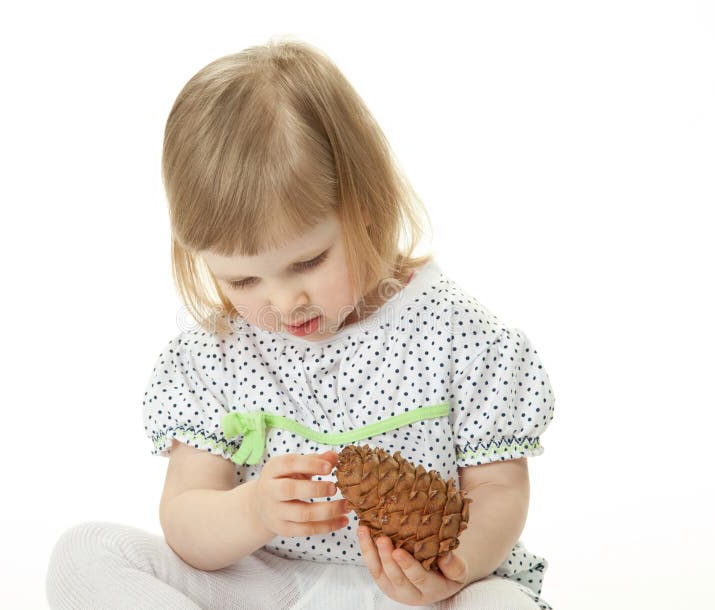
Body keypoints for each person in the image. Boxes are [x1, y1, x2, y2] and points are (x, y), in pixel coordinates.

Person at [46, 36, 556, 610]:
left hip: (422, 595)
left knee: (502, 605)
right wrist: (252, 510)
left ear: (368, 203)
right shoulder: (214, 357)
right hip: (274, 587)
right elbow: (186, 519)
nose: (287, 303)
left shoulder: (459, 335)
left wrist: (455, 567)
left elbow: (498, 490)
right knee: (86, 554)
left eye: (308, 262)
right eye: (243, 282)